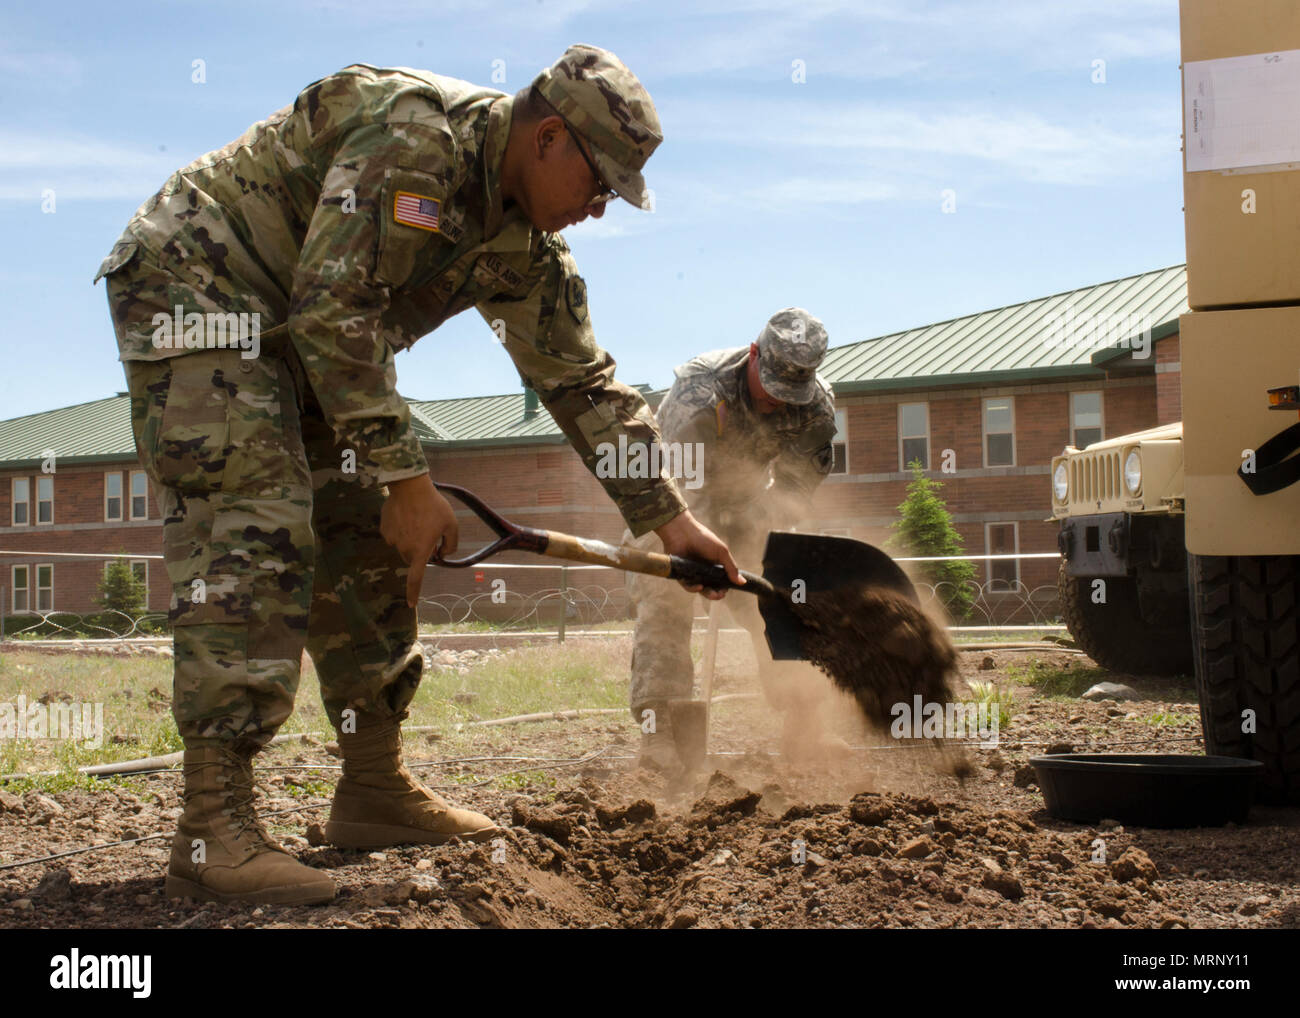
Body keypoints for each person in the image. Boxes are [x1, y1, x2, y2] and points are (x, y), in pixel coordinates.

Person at [94, 45, 739, 906]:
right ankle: (214, 826)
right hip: (198, 289)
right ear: (549, 137)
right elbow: (333, 308)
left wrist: (670, 519)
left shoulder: (528, 250)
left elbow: (580, 384)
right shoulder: (415, 138)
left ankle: (372, 787)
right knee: (263, 519)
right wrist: (407, 477)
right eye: (598, 186)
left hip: (306, 342)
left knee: (361, 534)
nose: (597, 209)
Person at [626, 308, 839, 770]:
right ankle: (659, 733)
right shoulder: (701, 389)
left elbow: (793, 491)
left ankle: (805, 723)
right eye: (774, 387)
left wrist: (754, 542)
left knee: (781, 599)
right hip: (671, 506)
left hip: (747, 508)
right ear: (755, 353)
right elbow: (676, 479)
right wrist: (697, 553)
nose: (780, 402)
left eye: (793, 393)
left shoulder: (817, 408)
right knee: (666, 600)